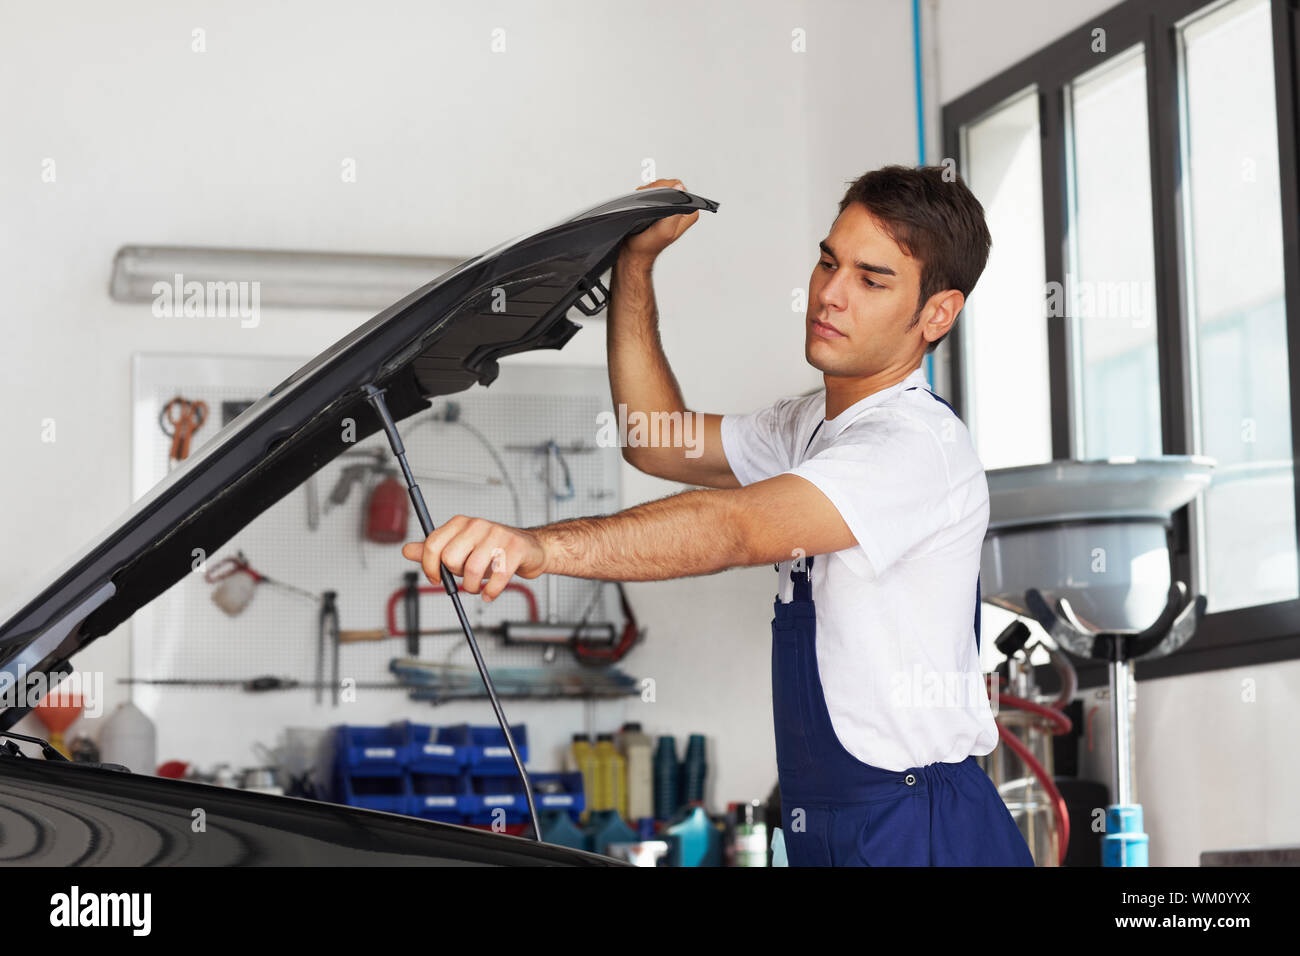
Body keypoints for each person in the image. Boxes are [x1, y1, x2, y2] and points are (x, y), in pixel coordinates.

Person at [401, 165, 1034, 866]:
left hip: (922, 834)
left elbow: (735, 528)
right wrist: (636, 264)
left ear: (937, 313)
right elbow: (653, 435)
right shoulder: (810, 425)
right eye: (829, 262)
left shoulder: (912, 446)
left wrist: (535, 547)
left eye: (871, 279)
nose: (829, 294)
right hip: (833, 826)